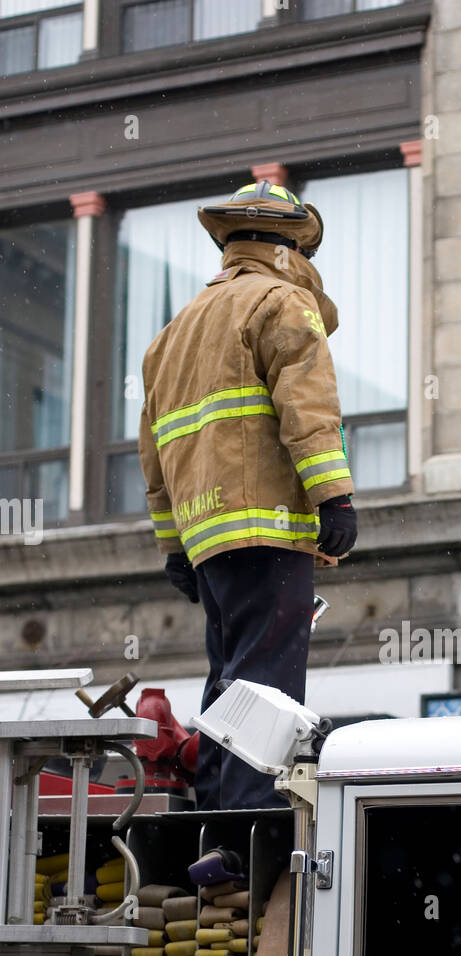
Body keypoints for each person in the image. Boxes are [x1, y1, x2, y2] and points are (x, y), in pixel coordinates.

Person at [138, 180, 357, 811]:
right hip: (267, 527)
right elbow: (308, 408)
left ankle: (215, 821)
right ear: (289, 246)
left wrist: (175, 546)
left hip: (209, 539)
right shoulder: (283, 302)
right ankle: (247, 823)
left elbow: (155, 453)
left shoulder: (173, 333)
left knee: (229, 677)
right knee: (267, 681)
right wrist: (333, 496)